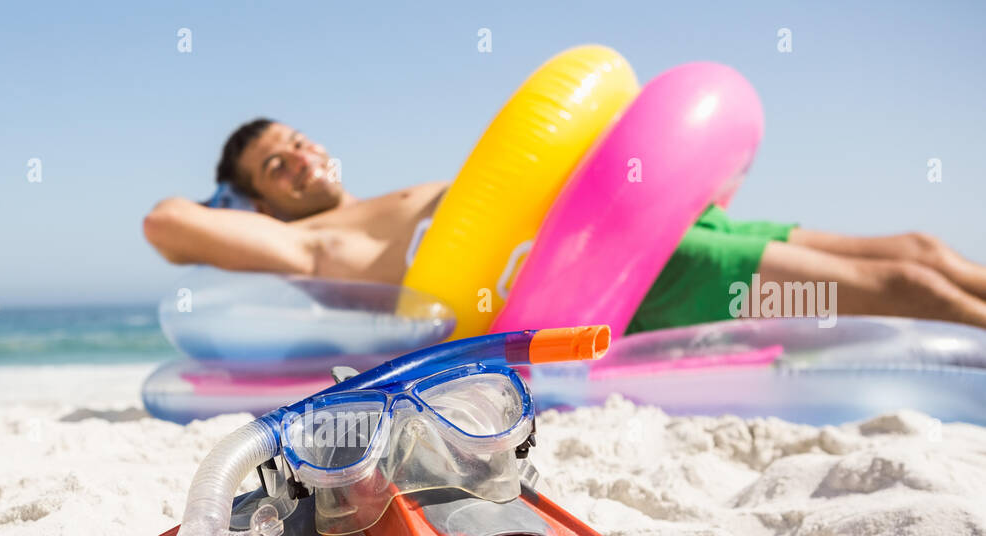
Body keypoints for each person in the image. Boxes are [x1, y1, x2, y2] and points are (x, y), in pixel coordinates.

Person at [143, 118, 986, 331]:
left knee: (917, 248)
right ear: (257, 204)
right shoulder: (303, 245)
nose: (299, 159)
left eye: (296, 142)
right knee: (903, 288)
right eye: (274, 168)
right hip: (615, 271)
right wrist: (225, 211)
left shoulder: (387, 193)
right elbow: (163, 222)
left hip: (633, 221)